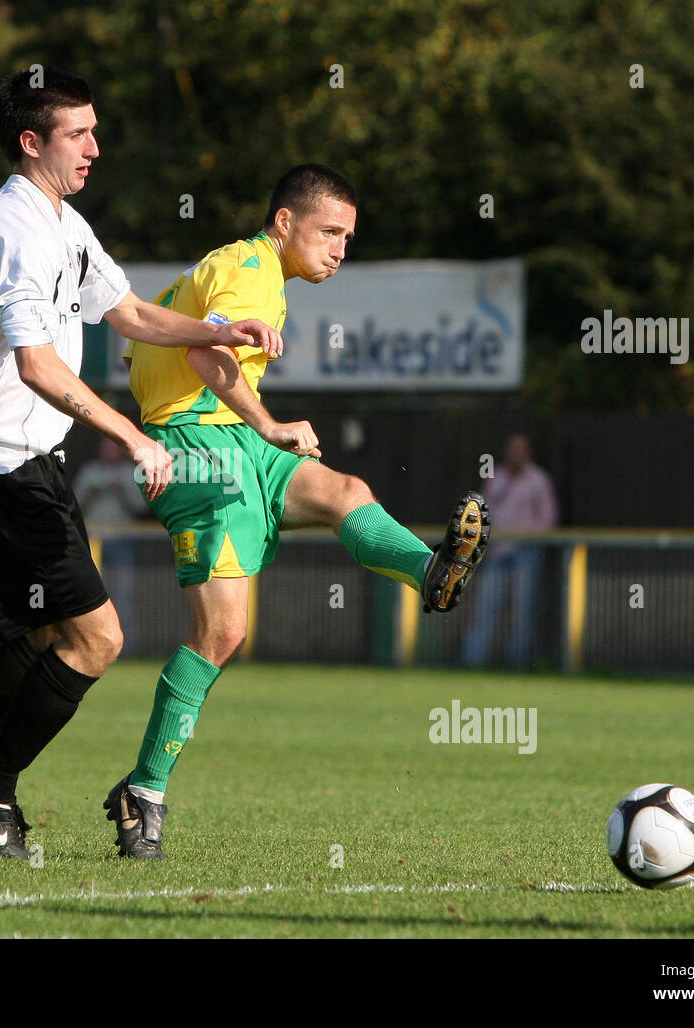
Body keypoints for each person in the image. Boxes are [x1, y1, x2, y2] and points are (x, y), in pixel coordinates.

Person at [0, 68, 283, 859]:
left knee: (43, 637)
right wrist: (136, 437)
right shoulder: (15, 230)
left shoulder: (64, 222)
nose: (96, 148)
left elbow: (136, 315)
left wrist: (221, 331)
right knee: (97, 639)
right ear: (31, 142)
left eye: (95, 131)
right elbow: (38, 365)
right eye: (79, 134)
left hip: (16, 463)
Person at [104, 164, 491, 859]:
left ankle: (430, 574)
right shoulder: (247, 268)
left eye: (347, 236)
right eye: (329, 232)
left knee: (346, 493)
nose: (340, 248)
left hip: (233, 440)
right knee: (221, 636)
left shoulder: (261, 276)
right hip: (197, 447)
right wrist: (269, 424)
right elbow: (202, 349)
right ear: (284, 223)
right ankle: (145, 791)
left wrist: (259, 430)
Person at [461, 433, 557, 668]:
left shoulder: (538, 480)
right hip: (496, 552)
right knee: (486, 607)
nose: (516, 455)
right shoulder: (495, 477)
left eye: (520, 451)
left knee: (522, 611)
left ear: (528, 453)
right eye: (512, 450)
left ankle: (517, 664)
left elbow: (548, 518)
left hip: (525, 553)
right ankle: (472, 662)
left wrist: (526, 537)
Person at [72, 437, 152, 650]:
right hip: (92, 541)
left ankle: (127, 647)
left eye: (113, 447)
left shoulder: (130, 472)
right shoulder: (89, 471)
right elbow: (74, 505)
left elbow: (141, 508)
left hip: (122, 540)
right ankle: (88, 644)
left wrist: (121, 489)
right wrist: (92, 490)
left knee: (122, 593)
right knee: (89, 595)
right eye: (106, 447)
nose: (109, 451)